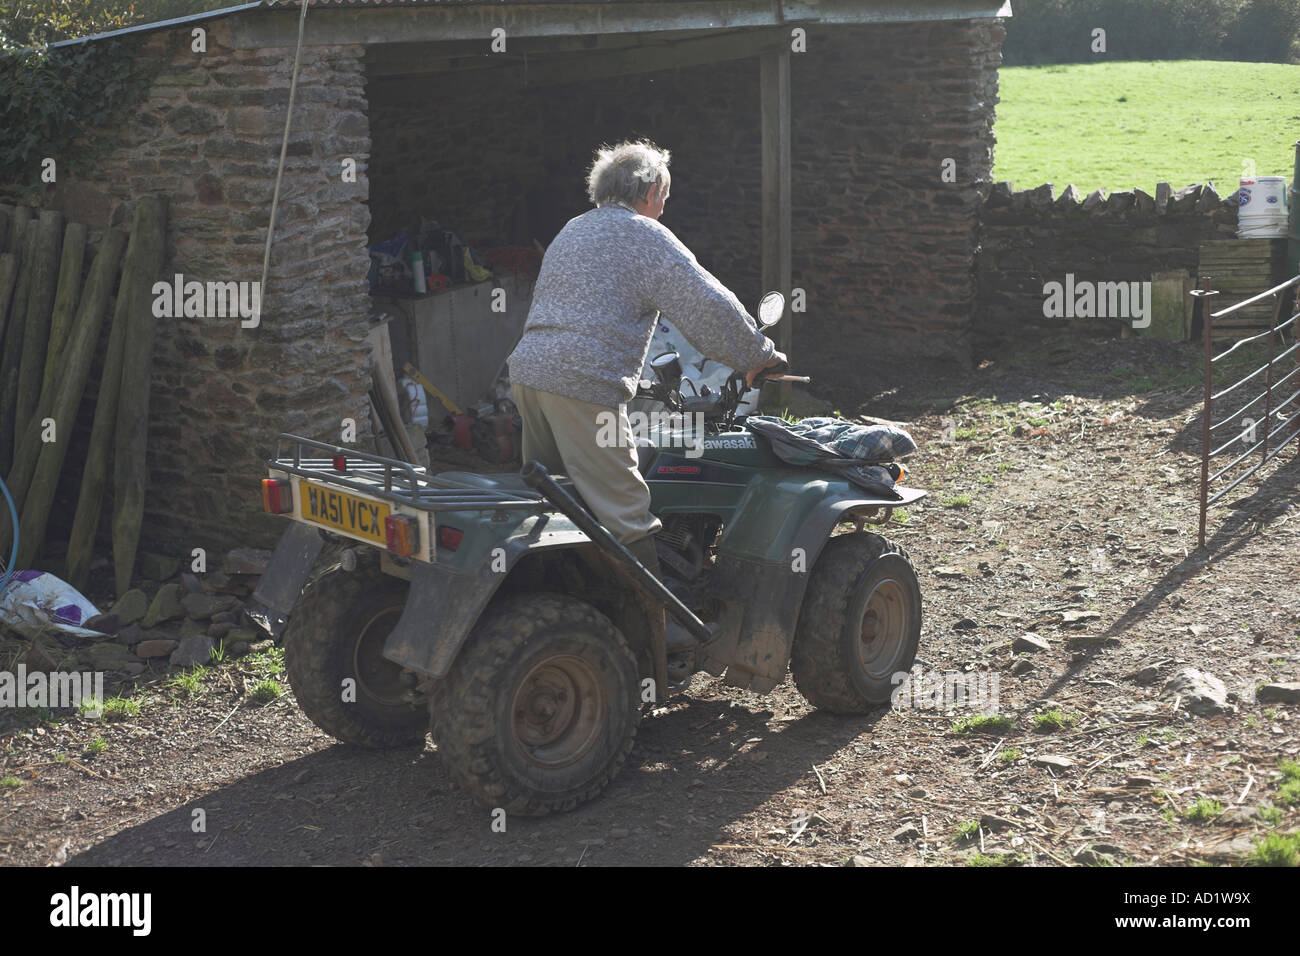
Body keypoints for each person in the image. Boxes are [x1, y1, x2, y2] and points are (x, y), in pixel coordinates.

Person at [507, 139, 786, 593]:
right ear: (651, 189)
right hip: (582, 385)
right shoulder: (643, 235)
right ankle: (652, 627)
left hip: (528, 374)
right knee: (626, 510)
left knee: (554, 501)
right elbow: (706, 303)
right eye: (665, 198)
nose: (663, 209)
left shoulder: (574, 228)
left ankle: (558, 604)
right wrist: (758, 355)